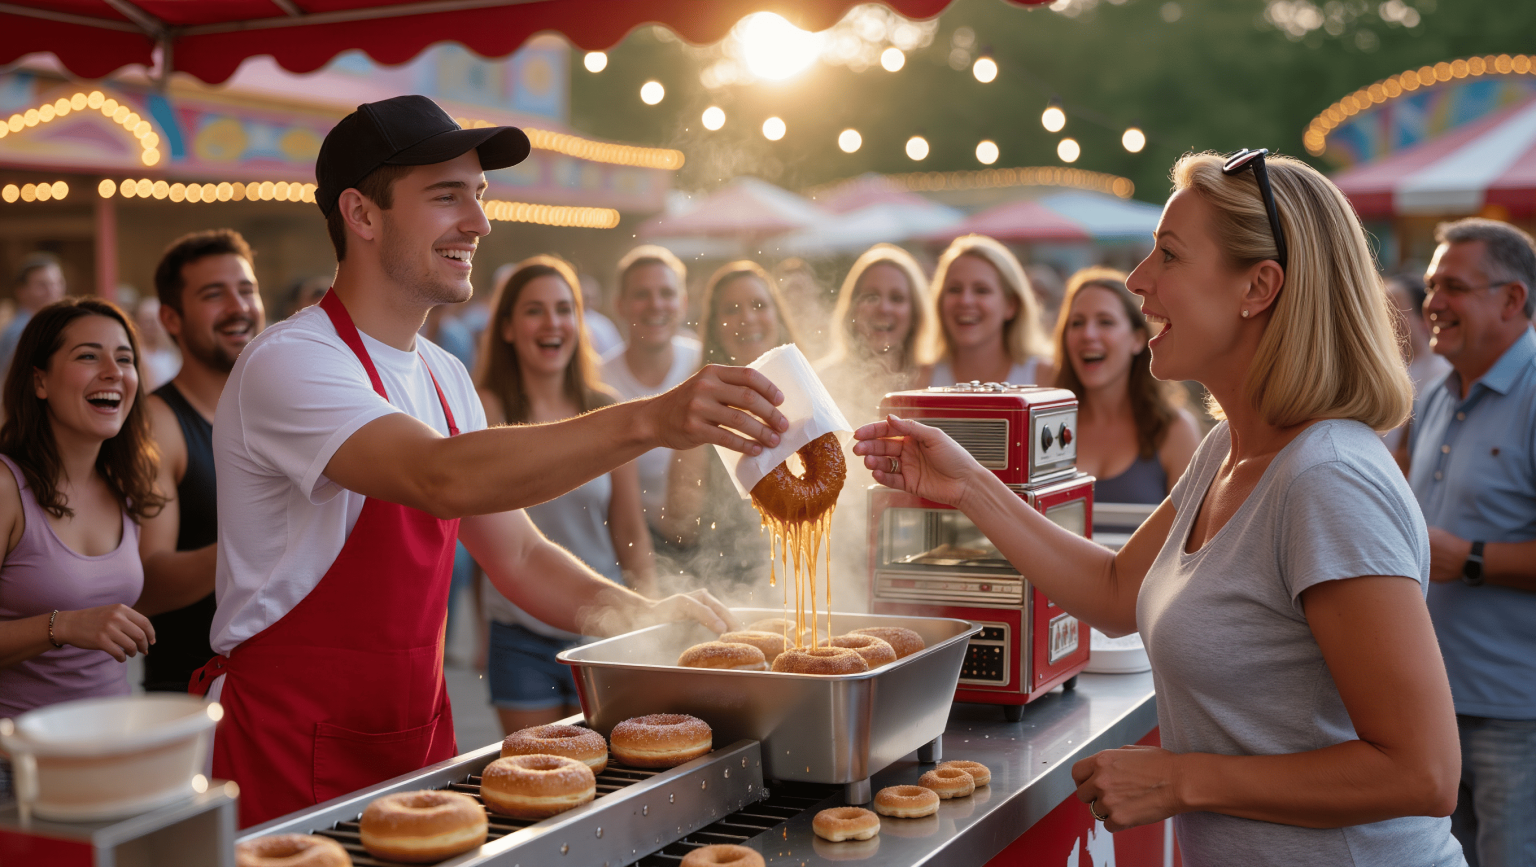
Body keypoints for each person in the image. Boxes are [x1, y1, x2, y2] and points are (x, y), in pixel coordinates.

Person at [189, 95, 786, 828]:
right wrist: (652, 418)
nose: (478, 222)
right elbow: (438, 477)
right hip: (284, 756)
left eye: (479, 195)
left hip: (415, 743)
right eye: (446, 197)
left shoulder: (444, 376)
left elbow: (523, 554)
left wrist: (648, 618)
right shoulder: (290, 361)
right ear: (362, 213)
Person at [855, 150, 1464, 866]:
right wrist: (968, 486)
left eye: (1168, 255)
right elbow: (1116, 593)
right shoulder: (1223, 452)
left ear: (1259, 286)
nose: (1139, 280)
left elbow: (1421, 772)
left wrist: (1181, 779)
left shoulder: (1327, 479)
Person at [476, 255, 656, 733]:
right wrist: (478, 628)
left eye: (564, 308)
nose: (552, 322)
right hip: (518, 632)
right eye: (534, 310)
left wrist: (657, 617)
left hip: (602, 629)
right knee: (536, 781)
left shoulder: (607, 408)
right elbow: (486, 533)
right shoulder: (485, 407)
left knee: (610, 774)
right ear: (509, 328)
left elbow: (628, 526)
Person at [1406, 218, 1536, 867]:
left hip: (1517, 713)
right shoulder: (1434, 396)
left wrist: (1473, 559)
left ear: (1511, 300)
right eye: (1431, 285)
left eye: (1452, 286)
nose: (1432, 302)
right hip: (1433, 707)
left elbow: (1457, 552)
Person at [0, 298, 162, 718]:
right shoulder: (5, 488)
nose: (113, 371)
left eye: (124, 359)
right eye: (88, 356)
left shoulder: (125, 484)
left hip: (115, 748)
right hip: (20, 766)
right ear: (40, 381)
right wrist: (64, 626)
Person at [134, 230, 265, 694]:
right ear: (171, 317)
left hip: (281, 689)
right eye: (214, 294)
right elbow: (147, 583)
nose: (239, 307)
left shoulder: (276, 410)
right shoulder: (158, 423)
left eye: (247, 290)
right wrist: (267, 537)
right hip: (191, 695)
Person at [659, 262, 798, 597]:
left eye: (759, 305)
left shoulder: (813, 397)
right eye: (732, 310)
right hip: (727, 585)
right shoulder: (700, 408)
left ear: (778, 316)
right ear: (715, 328)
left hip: (805, 576)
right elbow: (682, 524)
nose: (747, 318)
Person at [1052, 266, 1201, 536]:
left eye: (1105, 322)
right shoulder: (1045, 428)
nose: (1088, 334)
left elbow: (1191, 542)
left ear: (1137, 339)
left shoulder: (1174, 430)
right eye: (1077, 323)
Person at [599, 246, 701, 537]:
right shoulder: (599, 381)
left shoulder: (703, 364)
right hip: (624, 535)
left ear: (682, 304)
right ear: (620, 305)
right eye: (642, 294)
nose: (656, 304)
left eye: (666, 294)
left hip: (700, 536)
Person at [816, 243, 935, 424]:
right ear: (853, 308)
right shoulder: (820, 382)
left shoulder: (939, 380)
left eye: (897, 298)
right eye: (871, 296)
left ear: (916, 312)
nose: (884, 308)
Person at [925, 235, 1053, 387]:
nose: (965, 301)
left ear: (1011, 304)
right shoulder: (919, 379)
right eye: (954, 289)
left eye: (981, 290)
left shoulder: (1046, 377)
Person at [1383, 271, 1451, 456]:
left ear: (1423, 318)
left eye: (1395, 310)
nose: (1384, 318)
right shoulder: (1383, 370)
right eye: (1380, 309)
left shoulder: (1442, 373)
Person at [0, 253, 67, 383]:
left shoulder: (50, 326)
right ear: (22, 291)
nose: (53, 290)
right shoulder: (22, 331)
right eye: (42, 285)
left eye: (58, 283)